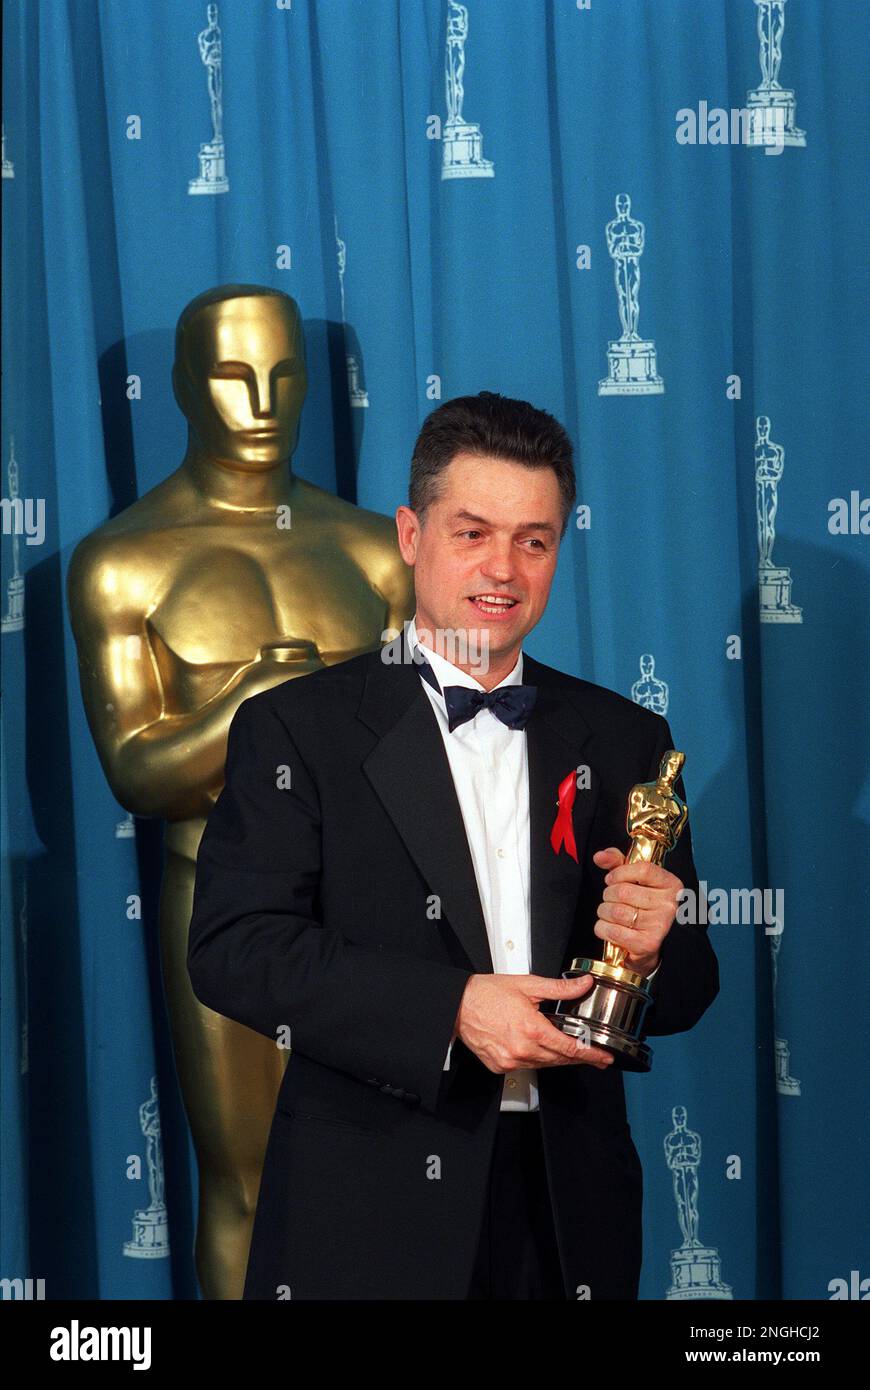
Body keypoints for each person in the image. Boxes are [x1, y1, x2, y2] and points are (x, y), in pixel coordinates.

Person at [187, 390, 719, 1300]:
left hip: (567, 1214)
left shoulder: (626, 736)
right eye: (471, 533)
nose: (502, 570)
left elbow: (688, 992)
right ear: (409, 534)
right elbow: (237, 950)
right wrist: (452, 1011)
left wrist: (657, 941)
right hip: (368, 1211)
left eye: (534, 539)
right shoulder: (298, 730)